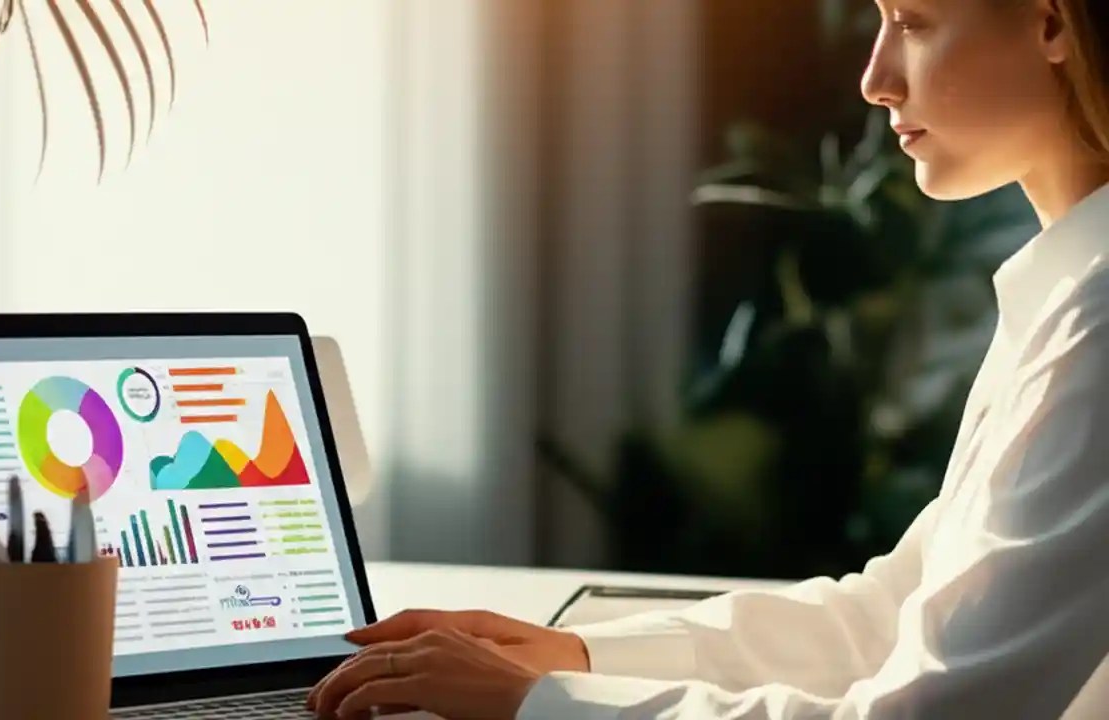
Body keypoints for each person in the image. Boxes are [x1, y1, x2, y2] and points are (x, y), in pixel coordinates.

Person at [308, 0, 1109, 717]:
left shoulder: (1097, 323)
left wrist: (539, 704)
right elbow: (892, 616)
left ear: (1052, 23)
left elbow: (930, 711)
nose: (876, 80)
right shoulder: (1065, 291)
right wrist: (575, 657)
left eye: (913, 22)